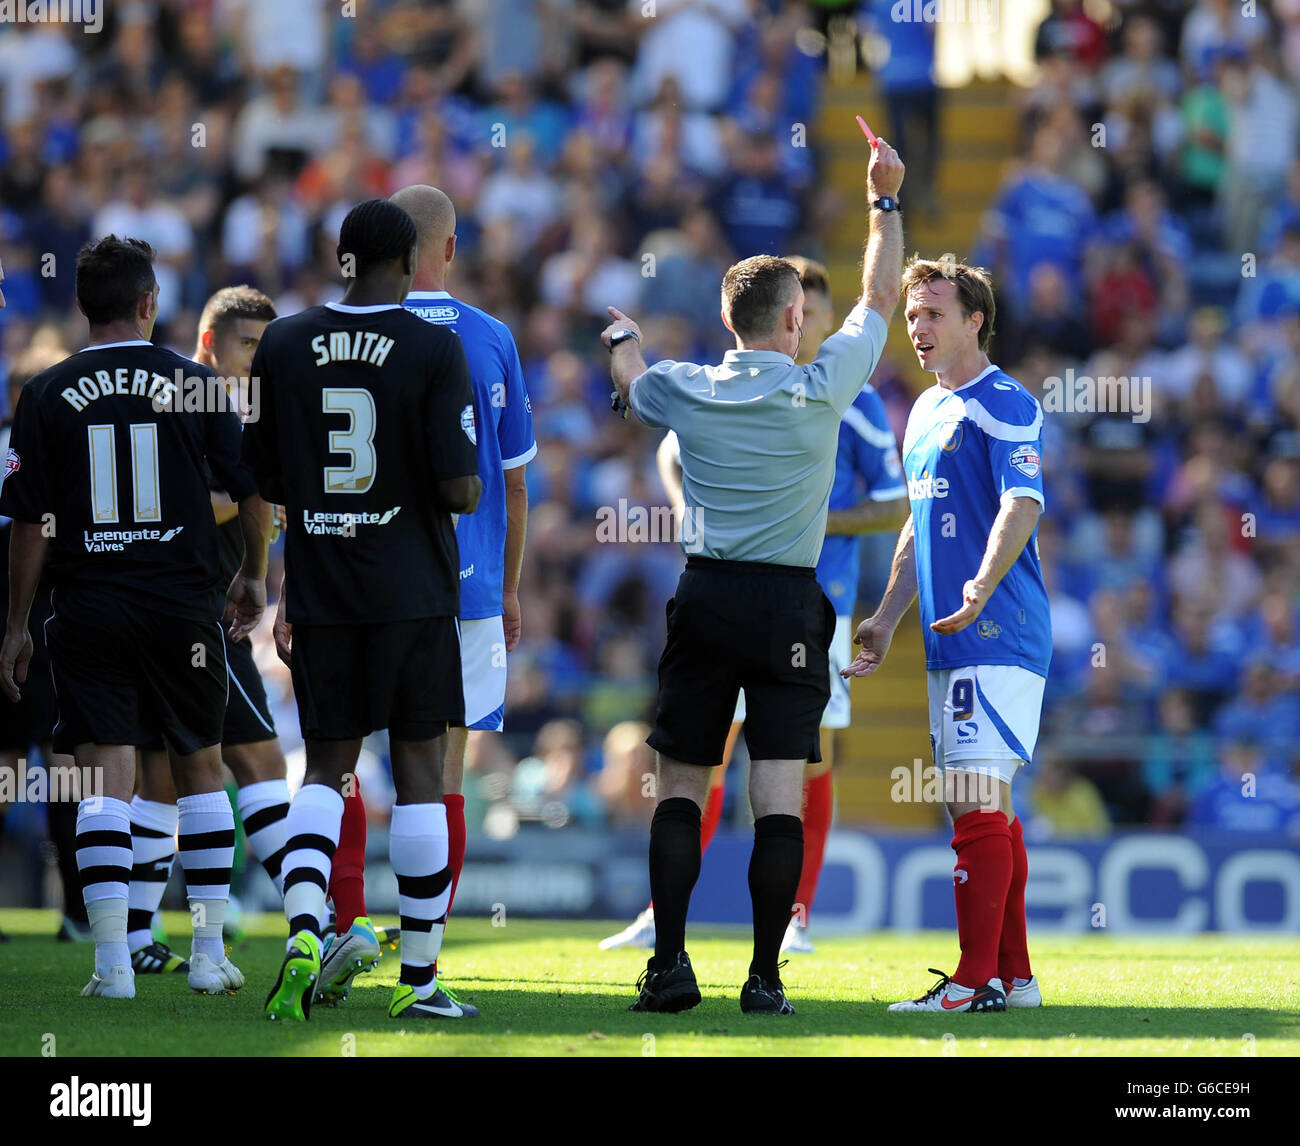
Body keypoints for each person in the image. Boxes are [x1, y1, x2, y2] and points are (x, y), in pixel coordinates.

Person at [602, 138, 905, 1014]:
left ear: (730, 319)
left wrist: (622, 336)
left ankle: (668, 968)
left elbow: (630, 381)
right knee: (779, 793)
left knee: (684, 788)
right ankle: (765, 978)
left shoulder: (687, 387)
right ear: (791, 322)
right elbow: (881, 296)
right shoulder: (820, 390)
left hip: (704, 596)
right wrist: (882, 201)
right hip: (790, 608)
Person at [0, 235, 272, 999]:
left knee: (105, 782)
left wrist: (18, 624)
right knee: (200, 772)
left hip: (87, 608)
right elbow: (250, 488)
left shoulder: (46, 392)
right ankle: (211, 953)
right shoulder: (198, 386)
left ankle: (113, 964)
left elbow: (27, 523)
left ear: (85, 306)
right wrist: (253, 576)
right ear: (150, 303)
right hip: (183, 608)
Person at [245, 199, 482, 1022]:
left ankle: (307, 929)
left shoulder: (281, 342)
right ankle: (418, 984)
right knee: (419, 775)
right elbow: (460, 488)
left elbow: (267, 479)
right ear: (414, 261)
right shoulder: (433, 344)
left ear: (343, 258)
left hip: (323, 590)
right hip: (413, 591)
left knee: (324, 769)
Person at [843, 255, 1050, 1013]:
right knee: (983, 805)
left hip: (998, 627)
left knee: (972, 797)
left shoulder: (1007, 403)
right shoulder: (926, 412)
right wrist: (887, 615)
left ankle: (970, 982)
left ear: (974, 321)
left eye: (933, 314)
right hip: (947, 637)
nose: (918, 328)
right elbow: (916, 525)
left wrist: (980, 583)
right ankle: (1014, 976)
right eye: (911, 315)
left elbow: (1020, 504)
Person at [125, 286, 294, 976]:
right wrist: (255, 508)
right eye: (247, 346)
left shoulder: (248, 412)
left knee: (160, 779)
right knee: (258, 763)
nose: (257, 361)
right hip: (200, 618)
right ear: (208, 345)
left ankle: (133, 937)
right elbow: (180, 503)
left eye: (265, 348)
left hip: (187, 613)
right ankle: (315, 915)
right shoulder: (190, 404)